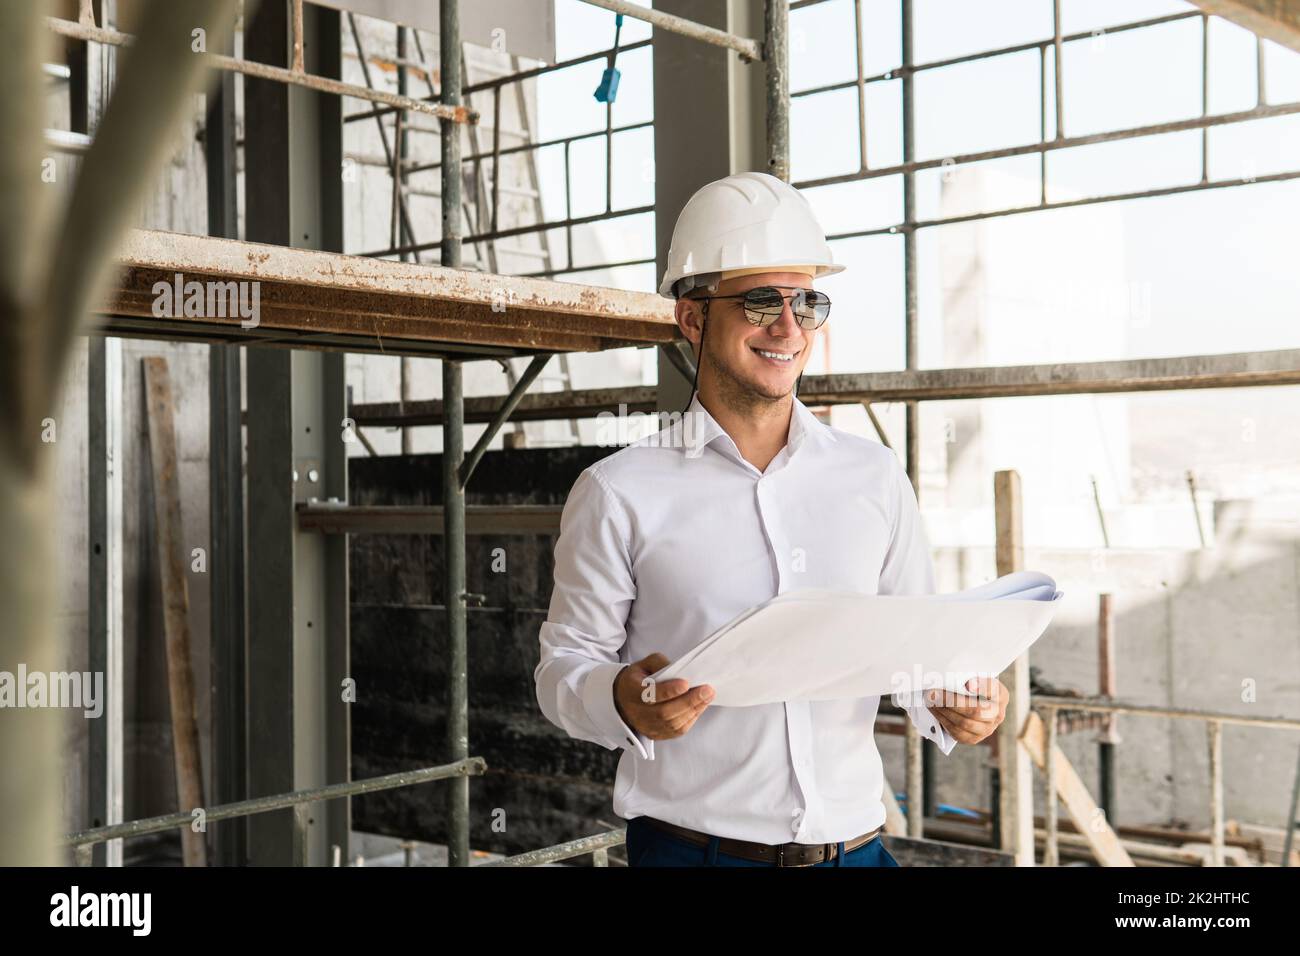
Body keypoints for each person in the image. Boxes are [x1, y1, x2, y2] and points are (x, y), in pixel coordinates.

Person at [534, 171, 1008, 867]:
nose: (788, 328)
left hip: (858, 851)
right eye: (760, 302)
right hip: (695, 855)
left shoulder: (873, 477)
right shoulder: (619, 491)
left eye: (807, 303)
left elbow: (915, 651)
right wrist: (621, 700)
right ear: (693, 319)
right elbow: (563, 670)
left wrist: (957, 702)